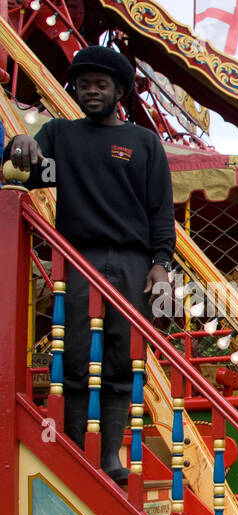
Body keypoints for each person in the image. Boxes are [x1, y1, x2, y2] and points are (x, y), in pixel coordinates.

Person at [4, 45, 174, 484]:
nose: (91, 91)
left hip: (134, 262)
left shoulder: (144, 142)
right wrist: (19, 142)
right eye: (83, 85)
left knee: (123, 358)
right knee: (77, 354)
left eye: (101, 85)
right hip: (79, 258)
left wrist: (162, 263)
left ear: (119, 90)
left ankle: (111, 455)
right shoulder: (60, 134)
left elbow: (160, 209)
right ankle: (79, 447)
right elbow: (24, 167)